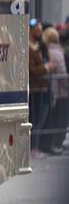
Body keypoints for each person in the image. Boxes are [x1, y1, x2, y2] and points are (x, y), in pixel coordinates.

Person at [43, 26, 67, 156]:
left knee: (48, 119)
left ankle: (47, 145)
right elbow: (62, 73)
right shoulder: (57, 52)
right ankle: (55, 144)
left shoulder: (46, 50)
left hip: (48, 90)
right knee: (59, 119)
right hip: (59, 92)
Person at [30, 21, 50, 156]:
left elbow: (47, 59)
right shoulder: (28, 47)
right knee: (34, 119)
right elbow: (31, 69)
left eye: (41, 30)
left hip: (43, 87)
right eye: (37, 30)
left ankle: (36, 147)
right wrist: (46, 68)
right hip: (33, 89)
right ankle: (33, 148)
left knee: (41, 117)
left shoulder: (41, 46)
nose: (40, 33)